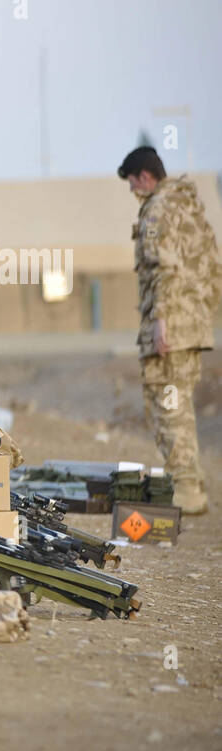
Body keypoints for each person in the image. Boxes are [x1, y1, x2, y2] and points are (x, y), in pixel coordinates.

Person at [119, 145, 221, 514]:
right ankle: (191, 482)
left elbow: (165, 267)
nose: (132, 190)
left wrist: (162, 322)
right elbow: (211, 266)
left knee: (169, 405)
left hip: (170, 330)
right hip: (191, 326)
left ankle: (187, 489)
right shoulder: (189, 207)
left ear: (145, 177)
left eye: (132, 182)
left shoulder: (158, 209)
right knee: (180, 404)